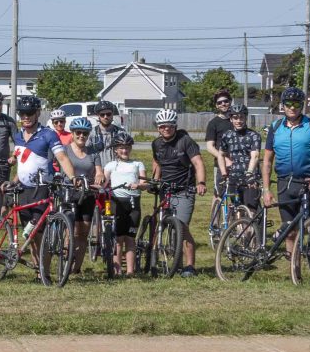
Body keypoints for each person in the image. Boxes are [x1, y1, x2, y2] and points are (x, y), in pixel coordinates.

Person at [265, 87, 310, 266]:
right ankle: (294, 269)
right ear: (283, 106)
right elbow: (267, 161)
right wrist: (266, 189)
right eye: (289, 104)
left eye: (296, 104)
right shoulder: (275, 127)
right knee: (290, 229)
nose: (292, 108)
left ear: (302, 106)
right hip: (285, 184)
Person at [9, 95, 71, 257]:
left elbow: (62, 158)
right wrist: (13, 182)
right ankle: (38, 270)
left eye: (29, 113)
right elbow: (23, 164)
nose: (25, 117)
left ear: (37, 113)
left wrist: (74, 178)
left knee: (38, 231)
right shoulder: (18, 136)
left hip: (41, 189)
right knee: (29, 234)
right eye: (22, 113)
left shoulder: (48, 134)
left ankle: (44, 271)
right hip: (23, 190)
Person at [148, 107, 207, 275]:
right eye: (162, 126)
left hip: (184, 190)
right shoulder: (156, 143)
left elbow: (198, 163)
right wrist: (155, 180)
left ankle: (190, 266)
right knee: (161, 224)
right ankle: (168, 261)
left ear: (175, 125)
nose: (166, 129)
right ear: (158, 128)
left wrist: (201, 182)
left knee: (181, 226)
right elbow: (157, 162)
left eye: (170, 125)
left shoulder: (185, 141)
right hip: (165, 189)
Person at [102, 131, 148, 275]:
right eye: (121, 147)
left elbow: (145, 183)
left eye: (127, 147)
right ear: (116, 150)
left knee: (130, 238)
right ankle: (117, 270)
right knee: (118, 238)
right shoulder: (110, 165)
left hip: (134, 203)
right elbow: (104, 183)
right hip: (117, 203)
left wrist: (138, 185)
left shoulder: (137, 164)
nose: (124, 150)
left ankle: (130, 271)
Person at [58, 115, 99, 273]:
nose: (81, 136)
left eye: (85, 133)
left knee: (84, 233)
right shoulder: (65, 150)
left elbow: (99, 171)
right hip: (69, 193)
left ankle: (77, 268)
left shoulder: (93, 152)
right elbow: (57, 165)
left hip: (87, 194)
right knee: (71, 231)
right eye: (78, 133)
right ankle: (67, 264)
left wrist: (100, 177)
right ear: (73, 133)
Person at [218, 106, 263, 213]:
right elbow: (221, 154)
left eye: (241, 117)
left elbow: (255, 156)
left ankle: (251, 229)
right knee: (235, 208)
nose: (238, 121)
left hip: (250, 178)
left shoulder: (254, 135)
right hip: (233, 177)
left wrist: (249, 173)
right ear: (231, 119)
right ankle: (235, 228)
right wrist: (224, 173)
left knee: (251, 210)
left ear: (245, 118)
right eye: (235, 118)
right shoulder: (227, 135)